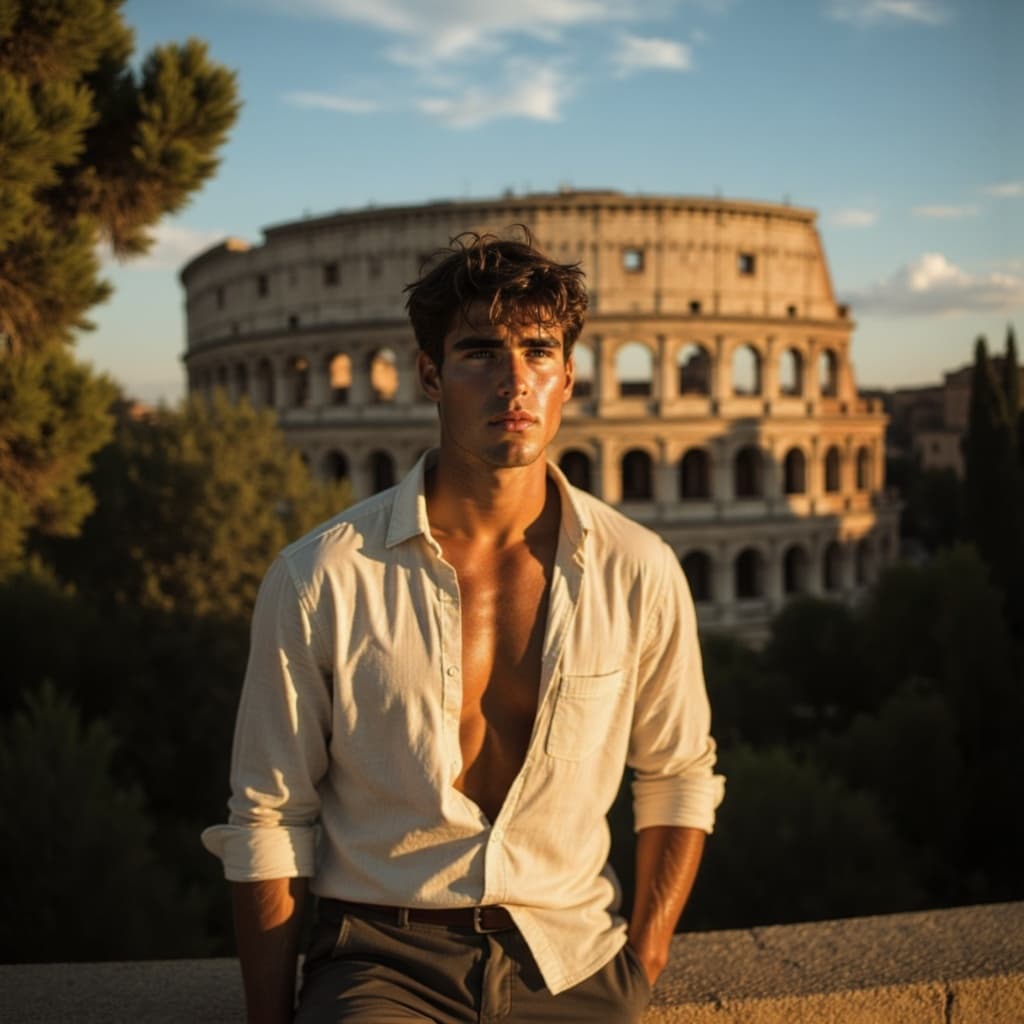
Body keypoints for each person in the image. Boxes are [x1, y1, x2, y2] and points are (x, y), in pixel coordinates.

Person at [202, 230, 724, 1023]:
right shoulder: (321, 576)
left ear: (569, 377)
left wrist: (643, 963)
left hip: (573, 961)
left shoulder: (637, 567)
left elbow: (679, 775)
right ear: (430, 374)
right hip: (383, 967)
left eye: (538, 351)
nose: (514, 381)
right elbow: (270, 818)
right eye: (480, 351)